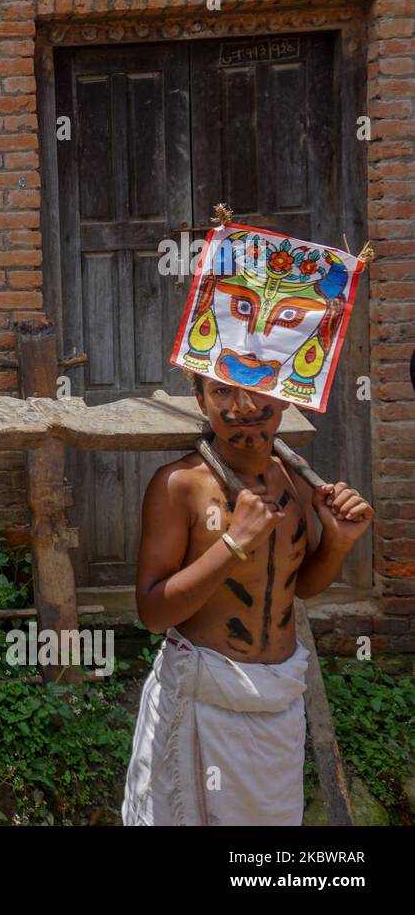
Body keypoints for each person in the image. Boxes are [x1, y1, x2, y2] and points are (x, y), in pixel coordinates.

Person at [125, 219, 373, 825]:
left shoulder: (292, 481)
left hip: (277, 710)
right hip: (203, 702)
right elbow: (154, 612)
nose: (243, 408)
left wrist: (336, 543)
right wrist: (232, 543)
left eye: (259, 389)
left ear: (285, 395)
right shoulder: (180, 486)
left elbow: (300, 586)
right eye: (222, 391)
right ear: (200, 397)